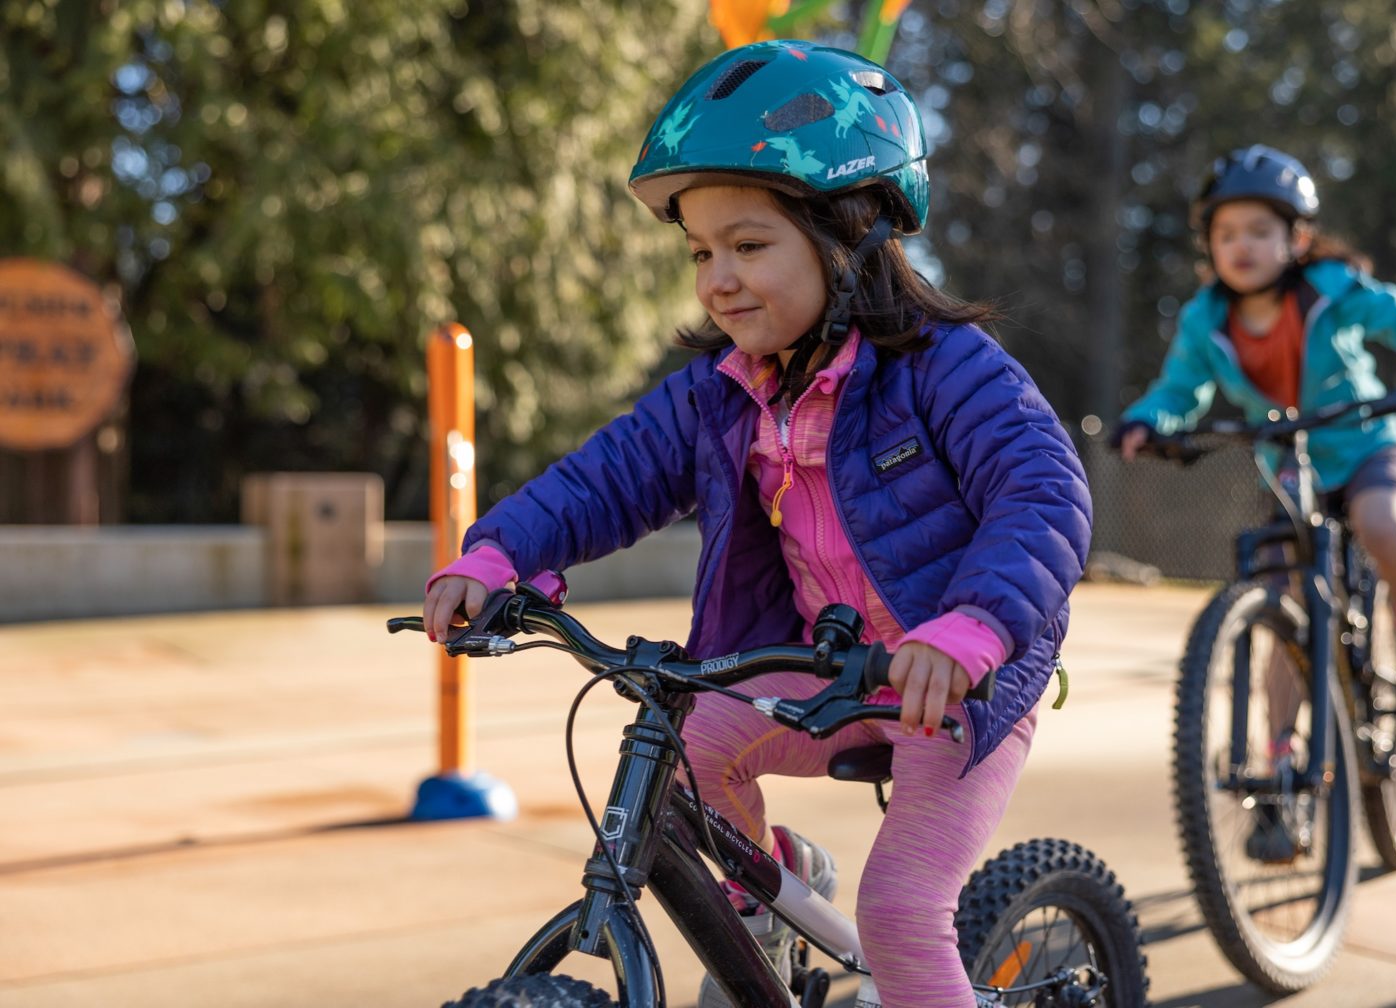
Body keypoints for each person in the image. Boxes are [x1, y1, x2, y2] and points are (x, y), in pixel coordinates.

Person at [423, 40, 1092, 1008]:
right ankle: (775, 899)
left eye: (748, 245)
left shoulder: (944, 365)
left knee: (903, 916)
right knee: (685, 749)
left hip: (955, 679)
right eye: (700, 252)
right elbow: (602, 481)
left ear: (851, 233)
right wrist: (497, 553)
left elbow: (1045, 493)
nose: (717, 279)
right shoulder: (723, 391)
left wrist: (973, 629)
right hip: (821, 668)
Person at [1115, 144, 1396, 708]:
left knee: (1382, 523)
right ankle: (1278, 765)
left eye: (1260, 231)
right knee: (1286, 605)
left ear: (1298, 240)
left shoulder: (1333, 289)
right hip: (1290, 464)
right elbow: (1181, 389)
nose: (1242, 245)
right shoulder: (1203, 319)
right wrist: (1148, 420)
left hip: (1365, 443)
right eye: (1227, 234)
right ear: (1210, 247)